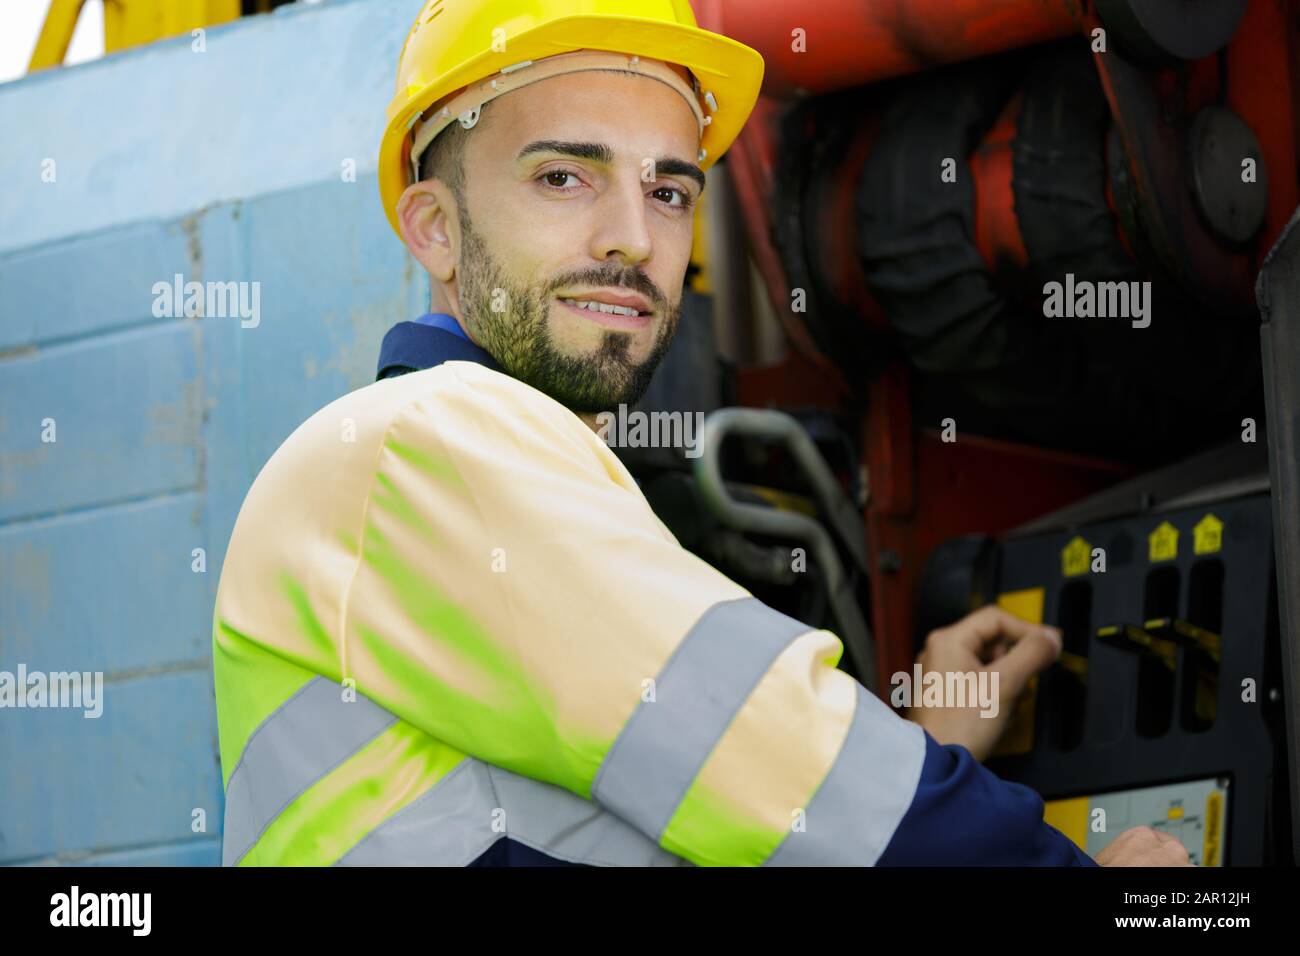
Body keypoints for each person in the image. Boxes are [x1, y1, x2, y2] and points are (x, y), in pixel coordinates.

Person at [212, 0, 1189, 868]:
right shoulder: (418, 439)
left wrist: (922, 738)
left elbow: (693, 796)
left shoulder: (480, 475)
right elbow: (752, 745)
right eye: (563, 177)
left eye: (670, 190)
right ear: (432, 227)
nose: (632, 236)